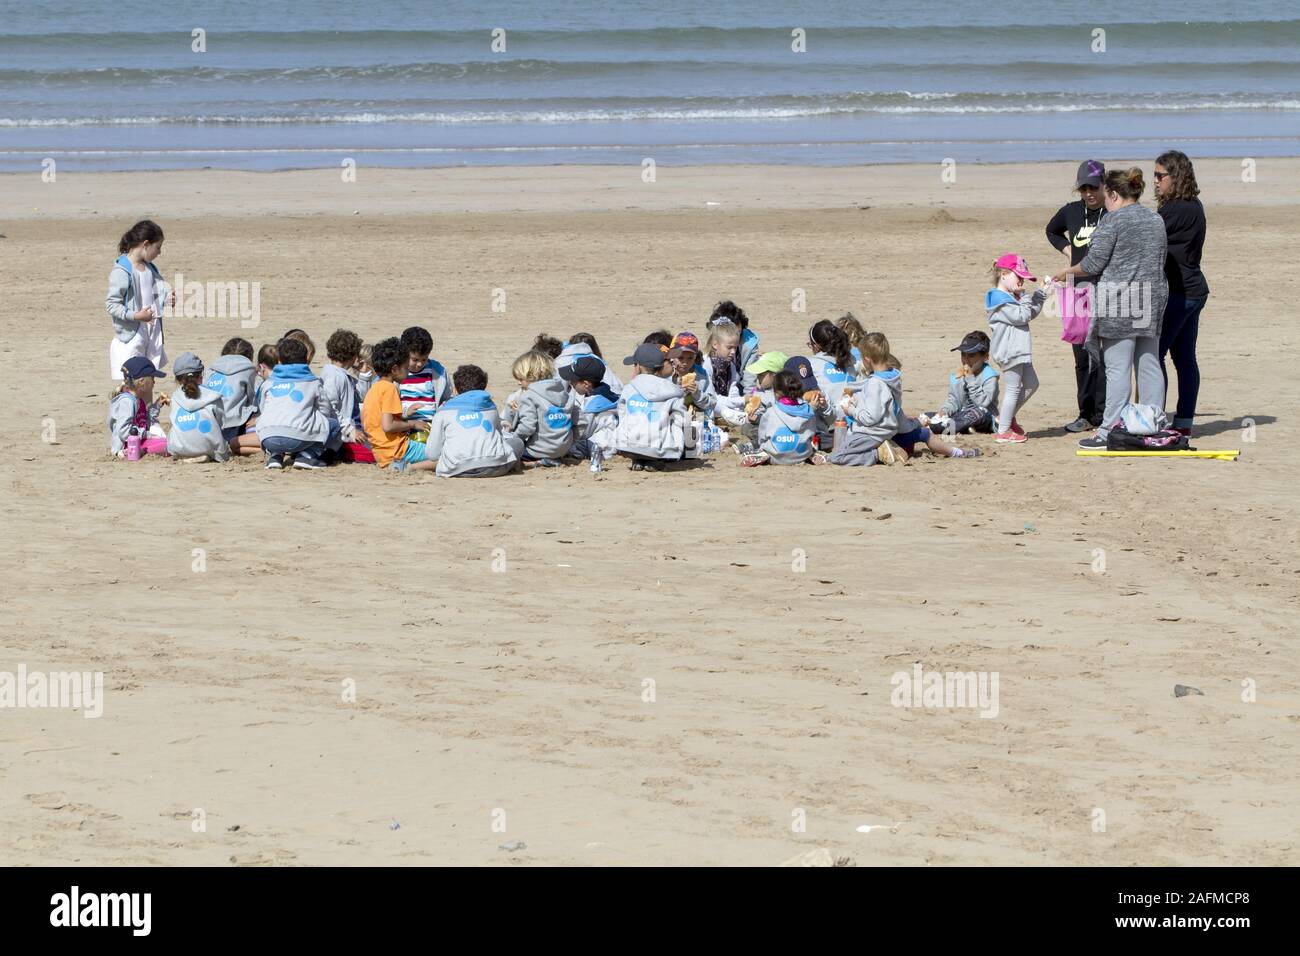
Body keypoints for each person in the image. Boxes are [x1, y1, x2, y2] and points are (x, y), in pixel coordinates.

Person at [1054, 167, 1169, 449]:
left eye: (1105, 195)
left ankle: (1108, 431)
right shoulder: (1155, 219)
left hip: (1120, 302)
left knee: (1117, 370)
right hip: (1151, 300)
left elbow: (1093, 264)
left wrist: (1065, 273)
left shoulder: (1113, 221)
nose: (1103, 201)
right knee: (1149, 364)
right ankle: (1151, 425)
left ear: (1114, 194)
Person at [847, 332, 979, 462]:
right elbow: (898, 420)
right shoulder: (891, 381)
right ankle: (958, 452)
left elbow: (876, 416)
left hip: (870, 435)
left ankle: (882, 452)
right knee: (925, 433)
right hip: (888, 434)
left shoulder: (869, 384)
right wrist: (916, 423)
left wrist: (851, 409)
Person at [1046, 160, 1109, 432]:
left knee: (1106, 356)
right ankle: (1085, 414)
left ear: (1104, 185)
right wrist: (1067, 249)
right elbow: (1051, 230)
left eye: (1093, 187)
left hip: (1107, 290)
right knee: (1082, 356)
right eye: (1083, 188)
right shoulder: (1071, 212)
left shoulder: (1113, 212)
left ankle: (1105, 413)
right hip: (1077, 291)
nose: (1089, 193)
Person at [1153, 150, 1209, 437]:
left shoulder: (1175, 210)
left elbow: (1148, 237)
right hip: (1193, 291)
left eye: (1160, 176)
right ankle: (1184, 422)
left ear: (1176, 177)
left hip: (1181, 294)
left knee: (1155, 356)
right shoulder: (1194, 205)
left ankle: (1155, 421)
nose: (1155, 181)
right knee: (1185, 358)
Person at [986, 254, 1050, 443]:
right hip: (1009, 351)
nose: (1022, 281)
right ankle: (1003, 430)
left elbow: (1029, 314)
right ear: (1004, 274)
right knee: (1013, 388)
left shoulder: (1013, 296)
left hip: (1019, 350)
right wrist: (1025, 297)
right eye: (1018, 276)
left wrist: (1040, 294)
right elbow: (1021, 316)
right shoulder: (997, 298)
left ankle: (1006, 417)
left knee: (1032, 384)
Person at [105, 220, 174, 380]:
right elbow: (111, 305)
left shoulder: (150, 268)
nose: (159, 252)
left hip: (152, 331)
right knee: (132, 381)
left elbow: (158, 288)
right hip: (132, 334)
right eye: (157, 247)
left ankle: (147, 406)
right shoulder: (122, 271)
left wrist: (168, 296)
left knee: (149, 378)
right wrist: (136, 316)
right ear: (146, 244)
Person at [423, 365, 520, 477]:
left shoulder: (442, 412)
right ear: (483, 389)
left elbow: (432, 454)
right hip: (495, 467)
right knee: (518, 443)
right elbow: (499, 438)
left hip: (456, 470)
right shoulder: (490, 407)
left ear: (455, 390)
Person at [256, 337, 334, 470]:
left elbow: (263, 409)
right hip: (298, 438)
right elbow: (325, 410)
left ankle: (275, 456)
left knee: (272, 419)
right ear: (306, 360)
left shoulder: (268, 383)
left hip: (267, 438)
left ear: (279, 361)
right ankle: (307, 455)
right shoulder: (313, 382)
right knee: (333, 425)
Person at [360, 337, 435, 472]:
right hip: (398, 450)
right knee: (445, 455)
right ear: (395, 369)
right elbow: (388, 426)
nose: (408, 372)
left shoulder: (374, 389)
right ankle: (409, 468)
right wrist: (413, 424)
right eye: (406, 368)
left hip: (381, 453)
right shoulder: (389, 389)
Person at [616, 342, 690, 471]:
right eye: (669, 361)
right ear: (661, 367)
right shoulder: (672, 391)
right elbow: (682, 419)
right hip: (658, 447)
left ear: (638, 367)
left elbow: (621, 413)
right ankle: (655, 460)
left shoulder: (629, 388)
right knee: (677, 419)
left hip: (626, 445)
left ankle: (638, 460)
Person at [501, 350, 578, 466]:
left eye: (521, 379)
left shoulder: (529, 396)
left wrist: (515, 439)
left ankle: (540, 461)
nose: (518, 383)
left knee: (509, 451)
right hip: (564, 448)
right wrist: (571, 441)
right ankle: (553, 457)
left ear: (532, 376)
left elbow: (527, 426)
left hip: (539, 449)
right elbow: (580, 421)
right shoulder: (564, 392)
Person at [921, 331, 999, 435]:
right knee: (928, 415)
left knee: (977, 414)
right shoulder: (957, 376)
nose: (966, 360)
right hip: (961, 415)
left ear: (985, 356)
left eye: (971, 355)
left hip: (985, 418)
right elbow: (953, 402)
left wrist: (971, 378)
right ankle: (956, 426)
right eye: (963, 355)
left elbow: (983, 403)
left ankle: (939, 427)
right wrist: (943, 412)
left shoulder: (989, 376)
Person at [743, 369, 824, 467]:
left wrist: (763, 446)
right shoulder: (808, 411)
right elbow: (811, 433)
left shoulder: (771, 411)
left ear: (776, 392)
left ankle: (763, 454)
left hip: (775, 456)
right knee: (808, 443)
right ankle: (810, 454)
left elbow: (762, 437)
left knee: (764, 444)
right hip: (801, 454)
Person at [807, 319, 864, 450]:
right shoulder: (854, 361)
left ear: (817, 346)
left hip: (828, 427)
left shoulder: (811, 365)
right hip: (855, 422)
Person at [167, 352, 230, 463]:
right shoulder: (213, 396)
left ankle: (185, 455)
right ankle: (205, 453)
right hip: (207, 448)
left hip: (179, 449)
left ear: (178, 379)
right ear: (201, 375)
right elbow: (222, 424)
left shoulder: (175, 397)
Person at [559, 356, 620, 463]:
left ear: (586, 384)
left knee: (571, 442)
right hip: (612, 442)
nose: (570, 383)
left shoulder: (592, 406)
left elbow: (582, 432)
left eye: (573, 380)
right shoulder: (608, 393)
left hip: (605, 449)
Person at [204, 337, 259, 455]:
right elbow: (254, 397)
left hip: (209, 424)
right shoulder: (249, 370)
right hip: (235, 425)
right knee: (256, 410)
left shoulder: (211, 370)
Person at [107, 356, 170, 457]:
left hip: (139, 440)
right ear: (141, 382)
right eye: (152, 378)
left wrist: (157, 405)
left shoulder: (138, 400)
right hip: (129, 444)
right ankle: (135, 452)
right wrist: (148, 435)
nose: (154, 382)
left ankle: (142, 451)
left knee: (167, 442)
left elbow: (144, 421)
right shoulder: (127, 402)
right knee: (169, 445)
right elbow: (124, 431)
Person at [321, 329, 364, 460]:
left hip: (349, 430)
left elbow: (362, 395)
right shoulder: (334, 376)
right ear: (353, 356)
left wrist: (363, 374)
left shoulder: (342, 374)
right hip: (342, 437)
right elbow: (330, 408)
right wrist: (349, 430)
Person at [398, 326, 452, 428]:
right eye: (414, 360)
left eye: (424, 359)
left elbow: (448, 398)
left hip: (432, 427)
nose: (419, 364)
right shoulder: (395, 372)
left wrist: (442, 409)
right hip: (404, 426)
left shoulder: (438, 371)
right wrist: (405, 412)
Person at [709, 301, 760, 393]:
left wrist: (749, 397)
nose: (733, 330)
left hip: (738, 388)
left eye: (735, 325)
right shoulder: (716, 340)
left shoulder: (750, 344)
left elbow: (750, 377)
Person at [667, 331, 717, 421]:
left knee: (696, 426)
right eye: (680, 358)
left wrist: (697, 393)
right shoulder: (666, 373)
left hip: (696, 418)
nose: (685, 363)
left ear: (695, 357)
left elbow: (712, 403)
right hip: (671, 417)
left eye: (690, 358)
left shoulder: (701, 374)